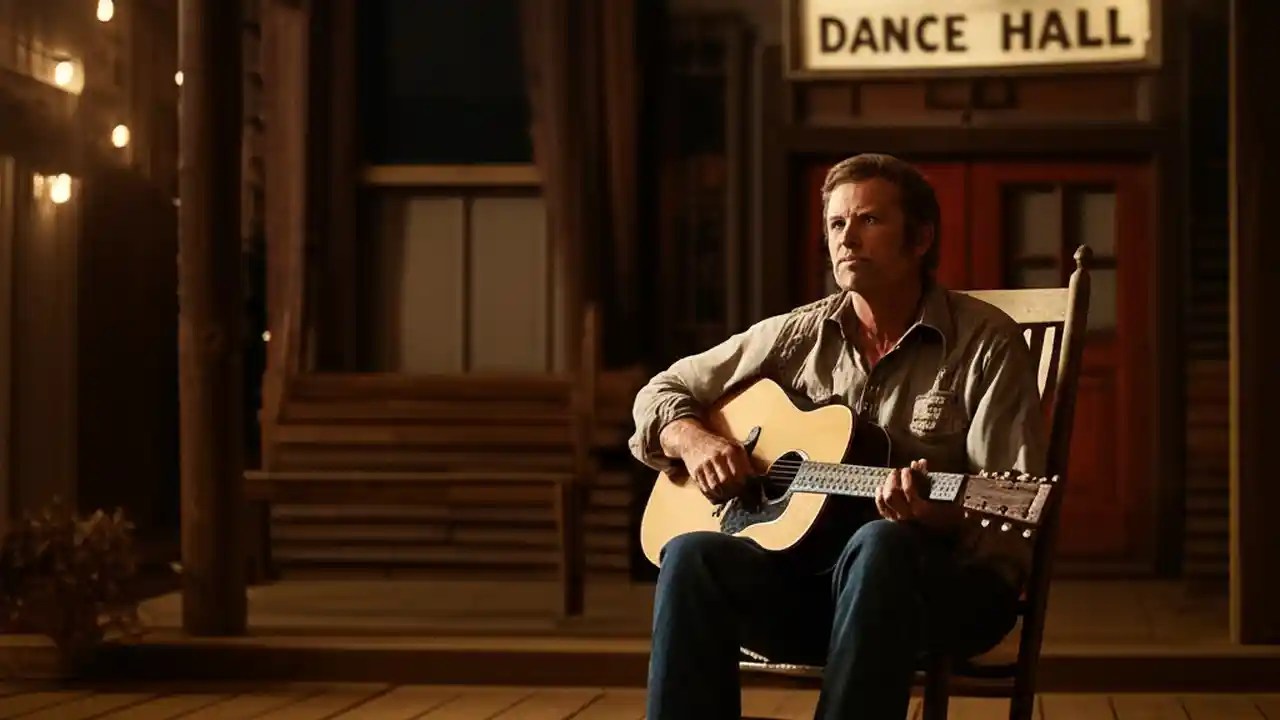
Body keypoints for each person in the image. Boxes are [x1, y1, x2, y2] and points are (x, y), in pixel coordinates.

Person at [628, 153, 1048, 720]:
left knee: (881, 543)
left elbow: (1009, 510)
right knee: (691, 554)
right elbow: (663, 389)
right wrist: (696, 442)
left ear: (921, 237)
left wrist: (930, 515)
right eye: (836, 224)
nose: (847, 239)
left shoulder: (985, 343)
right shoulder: (798, 333)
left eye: (869, 221)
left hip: (948, 591)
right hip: (808, 591)